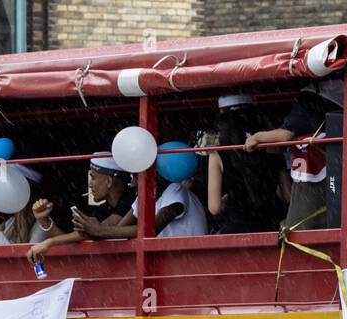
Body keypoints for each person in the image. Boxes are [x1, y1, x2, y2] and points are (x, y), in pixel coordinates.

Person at [242, 77, 343, 229]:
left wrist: (257, 137)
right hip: (339, 170)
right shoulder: (344, 100)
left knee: (299, 228)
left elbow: (284, 135)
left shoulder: (310, 99)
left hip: (314, 175)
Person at [25, 155, 135, 262]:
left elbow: (96, 231)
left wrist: (49, 242)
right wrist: (44, 220)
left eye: (93, 178)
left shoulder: (130, 200)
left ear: (109, 182)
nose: (90, 184)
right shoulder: (103, 209)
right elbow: (73, 240)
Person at [207, 93, 289, 234]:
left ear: (223, 123)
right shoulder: (272, 149)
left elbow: (214, 207)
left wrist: (229, 199)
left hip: (236, 228)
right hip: (271, 225)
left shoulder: (218, 154)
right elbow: (288, 196)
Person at [72, 176, 208, 239]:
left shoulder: (175, 189)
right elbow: (117, 231)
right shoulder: (143, 197)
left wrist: (100, 231)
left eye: (136, 177)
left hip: (188, 263)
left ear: (153, 177)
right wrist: (93, 231)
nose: (132, 184)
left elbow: (150, 230)